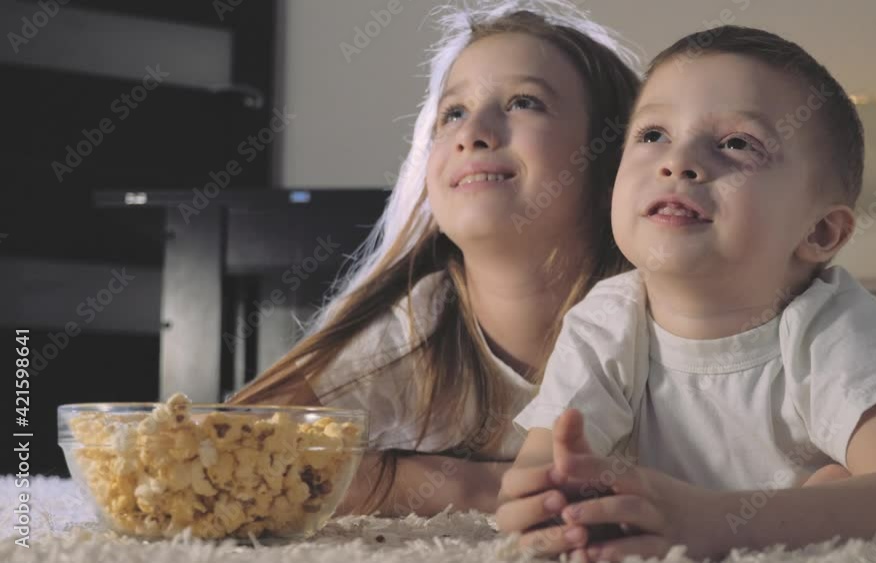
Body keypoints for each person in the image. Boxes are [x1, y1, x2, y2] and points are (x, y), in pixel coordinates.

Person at [497, 25, 876, 561]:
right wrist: (549, 498)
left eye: (737, 143)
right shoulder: (605, 322)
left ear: (819, 233)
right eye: (652, 135)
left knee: (853, 479)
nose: (677, 162)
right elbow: (536, 472)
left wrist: (716, 522)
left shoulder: (829, 326)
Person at [227, 0, 642, 515]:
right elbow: (242, 449)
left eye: (524, 102)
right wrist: (457, 487)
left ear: (612, 163)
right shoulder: (418, 326)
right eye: (453, 113)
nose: (474, 131)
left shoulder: (660, 319)